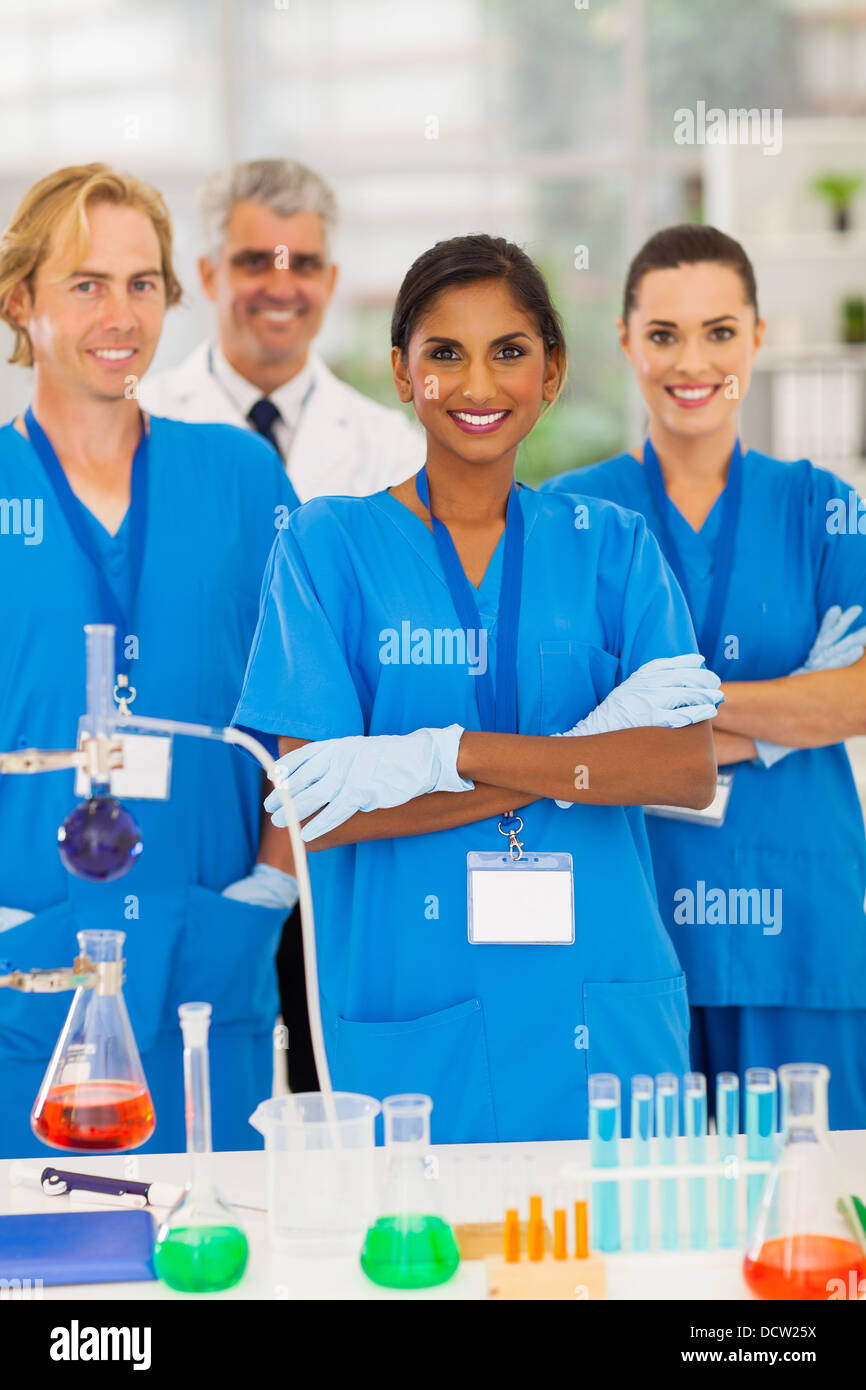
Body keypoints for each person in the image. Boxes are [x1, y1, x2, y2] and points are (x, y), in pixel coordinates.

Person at [232, 233, 724, 1144]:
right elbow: (323, 810)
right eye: (444, 354)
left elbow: (685, 768)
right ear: (401, 372)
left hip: (600, 997)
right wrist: (589, 753)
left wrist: (439, 756)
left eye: (509, 351)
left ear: (553, 369)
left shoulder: (613, 546)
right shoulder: (325, 548)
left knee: (617, 1267)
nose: (477, 385)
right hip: (415, 1005)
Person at [0, 164, 299, 1158]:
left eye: (142, 283)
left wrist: (266, 887)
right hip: (28, 955)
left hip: (211, 941)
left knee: (219, 1253)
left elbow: (312, 700)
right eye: (85, 283)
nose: (119, 313)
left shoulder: (241, 475)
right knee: (48, 1273)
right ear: (18, 299)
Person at [544, 224, 866, 1129]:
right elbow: (566, 722)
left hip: (800, 916)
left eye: (720, 332)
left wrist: (669, 712)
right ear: (624, 340)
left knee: (813, 1214)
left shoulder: (822, 507)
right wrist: (789, 709)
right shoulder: (571, 514)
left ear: (758, 337)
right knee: (650, 1214)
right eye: (665, 334)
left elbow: (859, 696)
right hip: (632, 906)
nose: (693, 362)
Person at [142, 159, 425, 1089]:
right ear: (211, 274)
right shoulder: (141, 423)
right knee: (192, 1074)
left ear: (331, 283)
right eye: (255, 257)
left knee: (332, 1080)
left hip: (347, 820)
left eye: (303, 262)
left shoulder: (392, 447)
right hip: (197, 815)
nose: (281, 282)